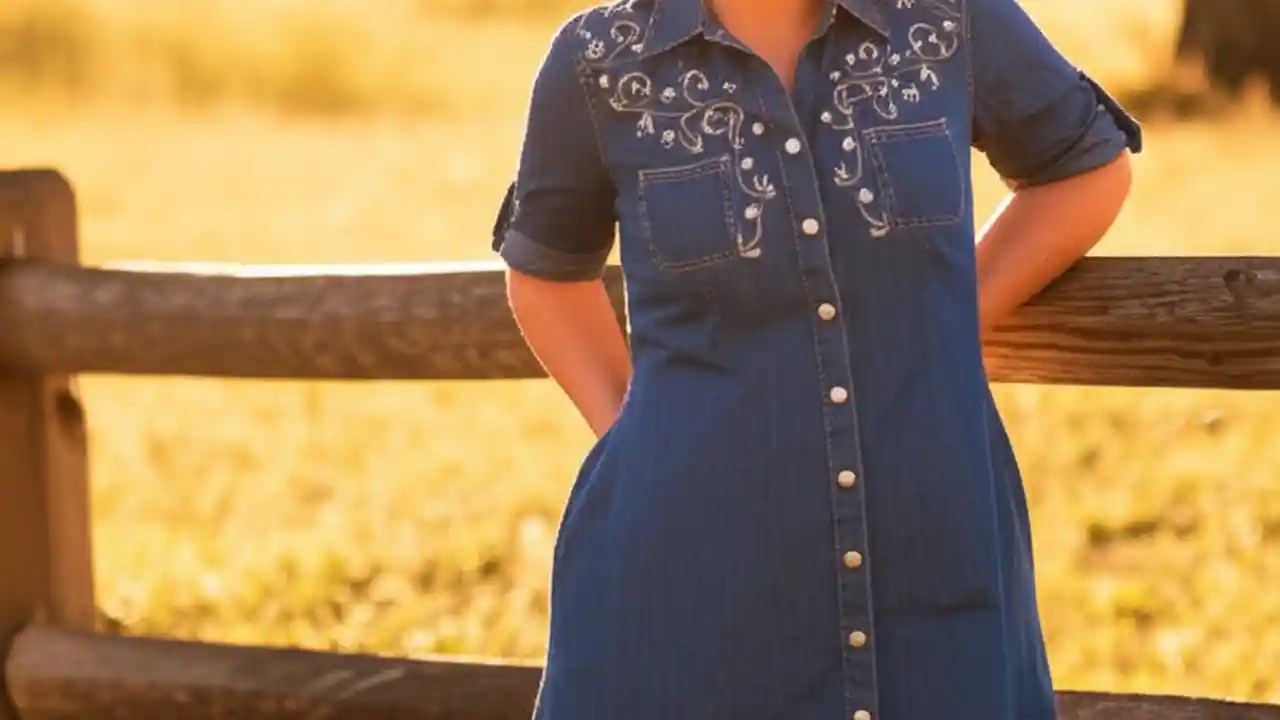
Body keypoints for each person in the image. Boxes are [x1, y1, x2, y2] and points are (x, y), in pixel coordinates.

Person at [490, 0, 1141, 716]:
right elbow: (547, 272)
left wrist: (949, 319)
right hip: (688, 568)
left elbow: (1084, 170)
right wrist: (638, 435)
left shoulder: (948, 17)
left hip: (932, 531)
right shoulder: (599, 60)